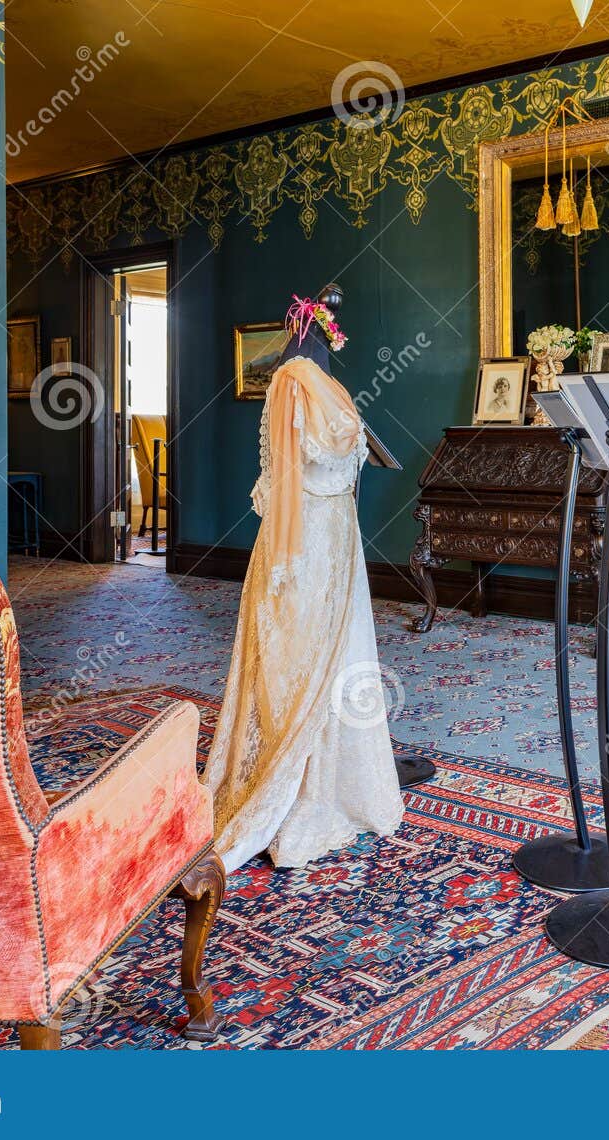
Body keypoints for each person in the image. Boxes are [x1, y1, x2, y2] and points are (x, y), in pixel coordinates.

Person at [205, 296, 403, 870]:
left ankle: (334, 777)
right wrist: (285, 559)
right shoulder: (296, 382)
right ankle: (293, 775)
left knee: (336, 651)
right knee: (296, 649)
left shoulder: (324, 387)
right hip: (307, 542)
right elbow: (287, 474)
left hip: (336, 541)